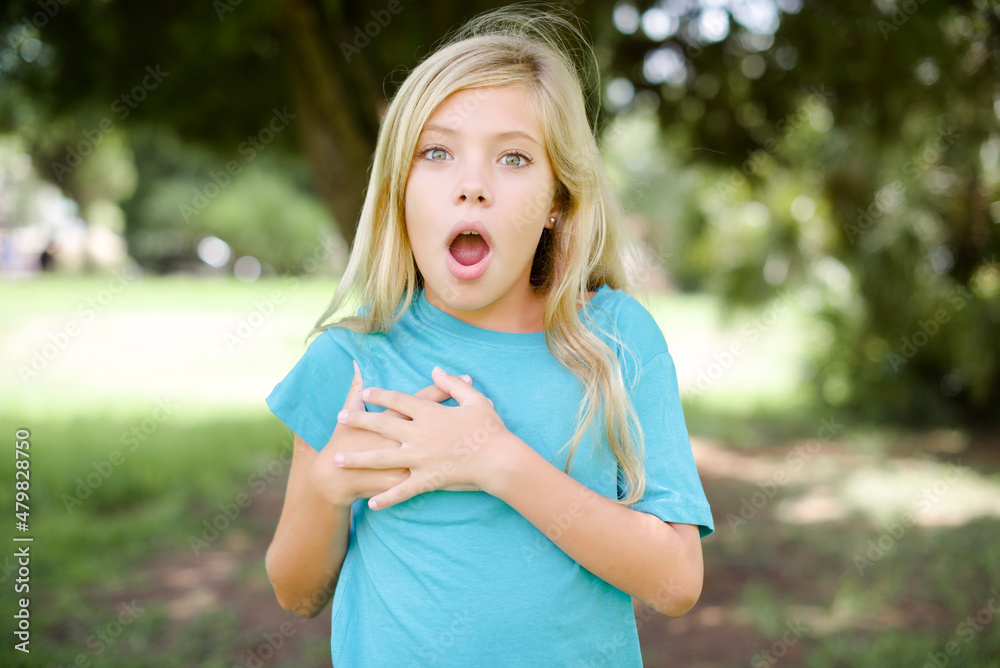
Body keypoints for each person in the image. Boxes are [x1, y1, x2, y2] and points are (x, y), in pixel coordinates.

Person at [264, 4, 713, 665]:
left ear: (557, 200)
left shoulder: (616, 340)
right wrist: (329, 486)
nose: (472, 186)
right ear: (400, 186)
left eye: (512, 158)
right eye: (438, 153)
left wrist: (496, 462)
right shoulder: (351, 358)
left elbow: (676, 581)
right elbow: (295, 592)